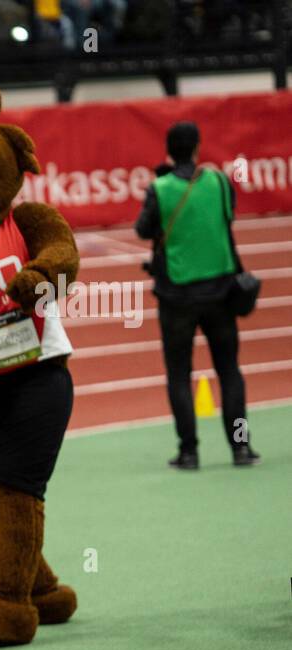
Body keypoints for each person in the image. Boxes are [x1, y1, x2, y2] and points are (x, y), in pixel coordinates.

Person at [135, 121, 258, 469]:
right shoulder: (219, 181)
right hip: (221, 292)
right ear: (197, 148)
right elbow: (226, 214)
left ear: (169, 151)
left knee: (179, 375)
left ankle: (188, 452)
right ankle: (241, 448)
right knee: (230, 371)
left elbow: (143, 229)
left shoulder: (159, 187)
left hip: (177, 297)